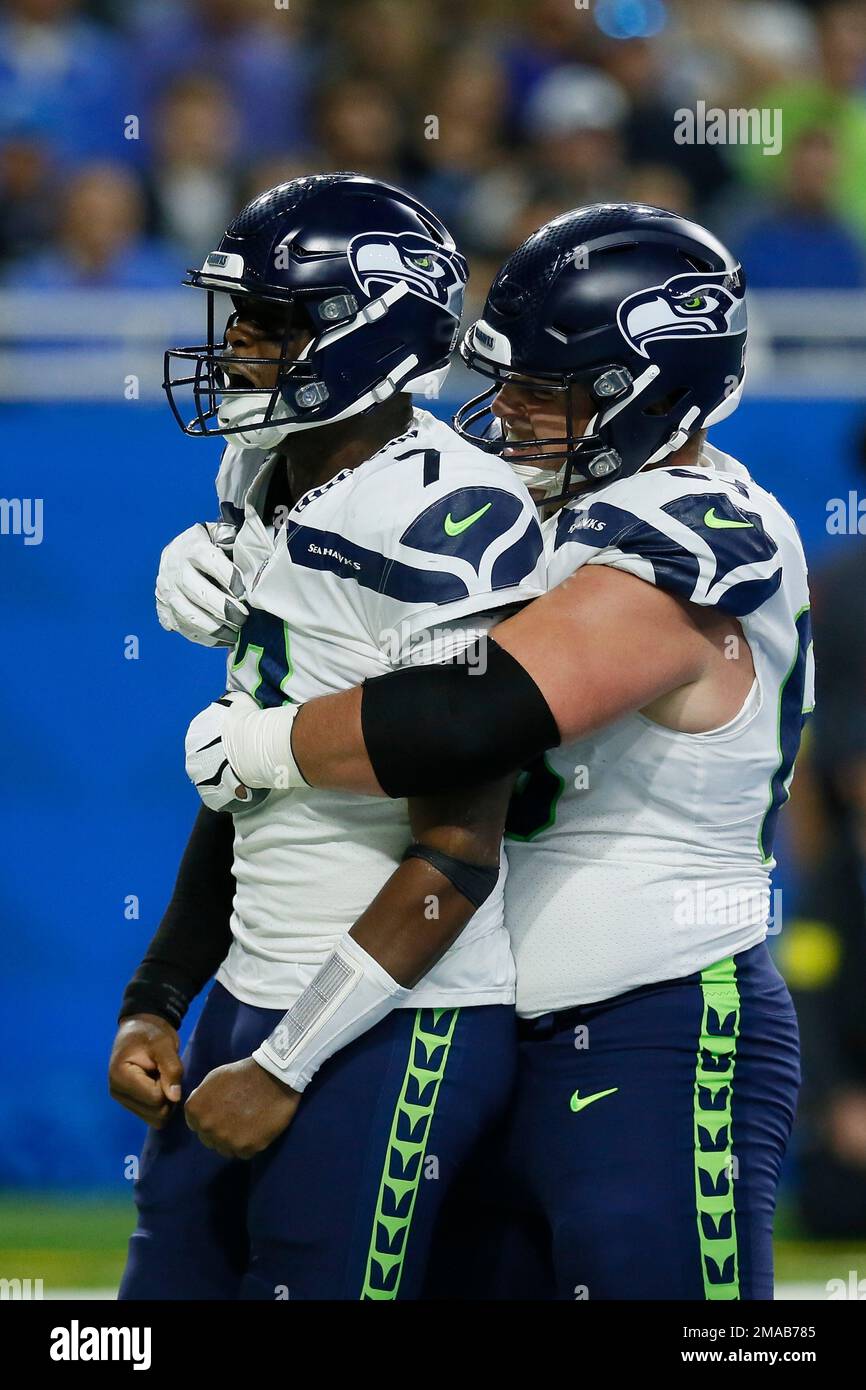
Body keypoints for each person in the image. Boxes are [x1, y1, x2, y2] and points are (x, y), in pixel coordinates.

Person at [169, 203, 813, 1300]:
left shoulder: (700, 529)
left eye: (541, 392)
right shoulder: (515, 482)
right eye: (500, 380)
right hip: (487, 1018)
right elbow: (343, 498)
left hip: (655, 1013)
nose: (503, 415)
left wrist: (269, 739)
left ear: (644, 393)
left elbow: (477, 713)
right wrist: (236, 547)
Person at [109, 173, 547, 1301]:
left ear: (374, 331)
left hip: (395, 1019)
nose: (240, 346)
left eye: (274, 321)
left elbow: (459, 848)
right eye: (239, 316)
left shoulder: (453, 514)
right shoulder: (261, 469)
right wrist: (159, 998)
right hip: (256, 990)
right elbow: (241, 790)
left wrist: (287, 1059)